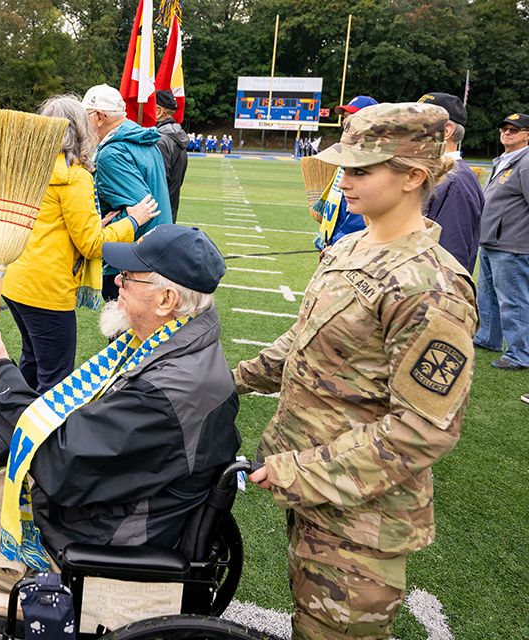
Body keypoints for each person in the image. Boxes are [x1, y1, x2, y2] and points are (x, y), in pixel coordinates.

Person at [0, 225, 239, 640]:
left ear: (167, 300)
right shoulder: (179, 350)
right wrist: (5, 444)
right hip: (118, 520)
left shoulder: (167, 391)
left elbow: (64, 464)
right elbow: (91, 422)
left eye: (130, 276)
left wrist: (0, 374)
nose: (116, 280)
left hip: (100, 555)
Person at [235, 102, 477, 640]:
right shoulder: (351, 245)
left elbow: (421, 430)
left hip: (364, 516)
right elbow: (307, 342)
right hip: (315, 490)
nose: (342, 180)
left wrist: (302, 471)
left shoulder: (432, 286)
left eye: (361, 170)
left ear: (414, 176)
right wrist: (234, 378)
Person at [1, 95, 160, 393]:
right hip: (46, 289)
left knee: (33, 361)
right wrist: (133, 221)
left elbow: (53, 224)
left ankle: (11, 428)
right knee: (55, 377)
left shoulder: (33, 171)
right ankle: (38, 437)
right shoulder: (75, 177)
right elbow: (91, 245)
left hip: (17, 280)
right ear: (79, 130)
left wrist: (93, 224)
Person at [81, 84, 173, 300]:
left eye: (85, 115)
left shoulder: (112, 153)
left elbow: (142, 211)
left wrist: (101, 227)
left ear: (99, 117)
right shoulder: (144, 142)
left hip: (130, 264)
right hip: (154, 255)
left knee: (124, 330)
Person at [473, 112, 529, 370]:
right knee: (488, 296)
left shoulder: (526, 162)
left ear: (527, 135)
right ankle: (488, 338)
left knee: (513, 300)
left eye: (514, 130)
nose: (507, 133)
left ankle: (520, 354)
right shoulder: (505, 160)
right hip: (492, 241)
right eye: (504, 128)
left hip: (512, 244)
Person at [416, 92, 483, 273]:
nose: (411, 128)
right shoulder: (436, 173)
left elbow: (451, 258)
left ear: (446, 131)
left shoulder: (455, 181)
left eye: (421, 121)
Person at [312, 95, 378, 251]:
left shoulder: (369, 159)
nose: (344, 121)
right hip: (335, 241)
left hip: (349, 247)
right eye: (345, 117)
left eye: (351, 117)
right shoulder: (349, 154)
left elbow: (360, 217)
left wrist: (337, 244)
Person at [154, 89, 188, 223]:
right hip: (170, 211)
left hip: (157, 215)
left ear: (158, 111)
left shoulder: (160, 140)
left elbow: (157, 182)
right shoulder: (177, 138)